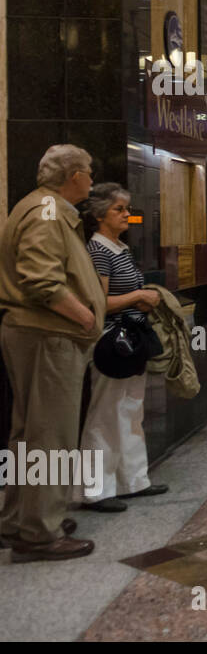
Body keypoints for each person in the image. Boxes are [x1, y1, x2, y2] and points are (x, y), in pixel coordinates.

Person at [0, 145, 106, 561]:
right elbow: (41, 281)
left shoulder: (44, 208)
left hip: (37, 334)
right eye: (90, 172)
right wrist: (83, 316)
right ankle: (40, 535)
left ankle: (18, 520)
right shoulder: (47, 212)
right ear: (74, 175)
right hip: (48, 337)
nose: (93, 179)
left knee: (29, 434)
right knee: (51, 437)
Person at [80, 183, 167, 512]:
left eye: (127, 209)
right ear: (100, 214)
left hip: (131, 338)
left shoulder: (120, 248)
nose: (126, 215)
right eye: (119, 210)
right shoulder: (98, 250)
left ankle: (133, 480)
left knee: (131, 410)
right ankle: (96, 489)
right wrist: (139, 297)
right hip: (109, 342)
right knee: (105, 414)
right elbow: (97, 302)